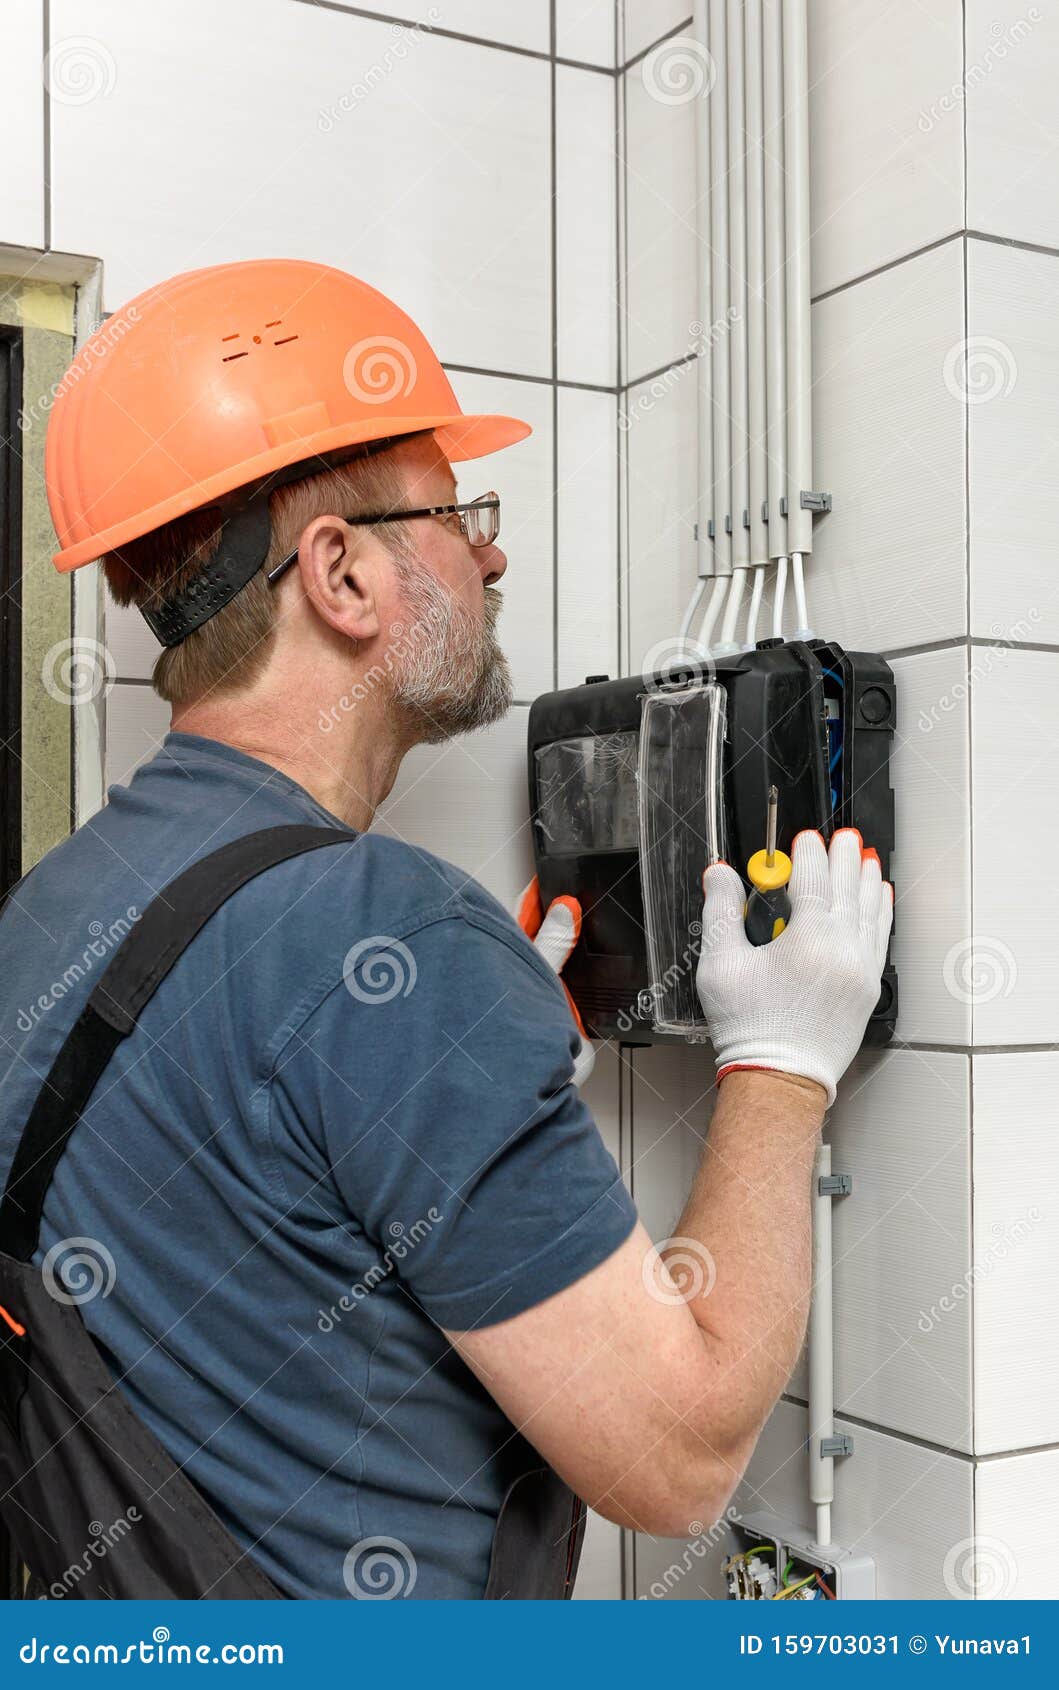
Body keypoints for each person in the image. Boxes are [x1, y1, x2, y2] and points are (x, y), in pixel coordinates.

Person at [0, 260, 891, 1600]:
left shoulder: (48, 905)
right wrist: (782, 1063)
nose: (493, 549)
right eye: (455, 512)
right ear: (341, 574)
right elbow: (682, 1456)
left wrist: (439, 1094)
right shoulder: (387, 934)